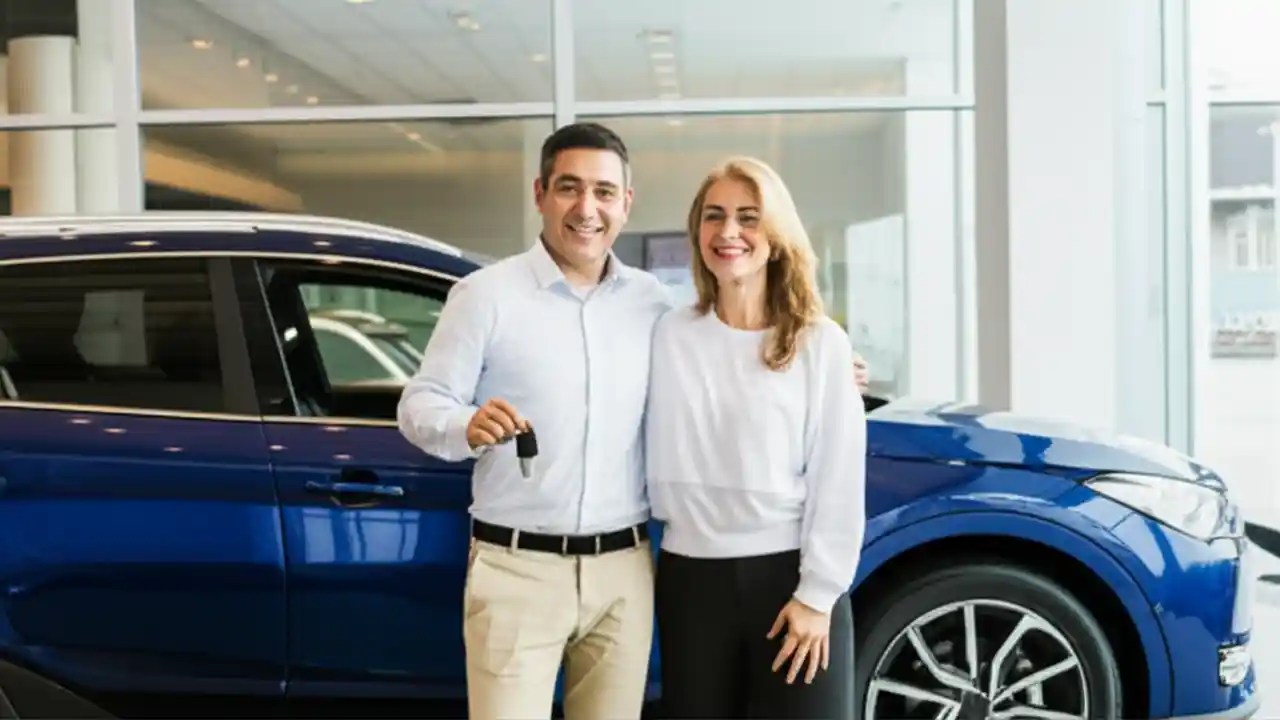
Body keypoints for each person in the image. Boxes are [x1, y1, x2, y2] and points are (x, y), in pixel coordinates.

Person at [396, 122, 671, 720]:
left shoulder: (653, 302)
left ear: (626, 202)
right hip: (516, 568)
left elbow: (720, 368)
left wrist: (819, 365)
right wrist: (465, 424)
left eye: (604, 191)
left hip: (623, 572)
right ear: (540, 193)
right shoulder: (485, 295)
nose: (587, 208)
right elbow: (420, 404)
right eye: (569, 187)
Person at [645, 156, 867, 719]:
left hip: (789, 576)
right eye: (714, 216)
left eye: (748, 217)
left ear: (776, 236)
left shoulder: (820, 344)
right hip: (690, 578)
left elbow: (838, 476)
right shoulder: (668, 334)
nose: (728, 232)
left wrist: (817, 595)